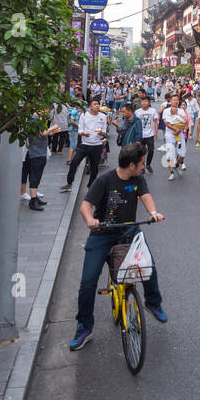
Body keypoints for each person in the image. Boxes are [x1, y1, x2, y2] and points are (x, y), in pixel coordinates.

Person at [71, 142, 168, 351]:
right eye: (142, 163)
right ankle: (84, 327)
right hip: (102, 235)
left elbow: (146, 197)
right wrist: (90, 219)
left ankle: (152, 302)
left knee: (148, 265)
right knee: (88, 282)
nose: (144, 166)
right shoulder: (104, 180)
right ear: (132, 165)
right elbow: (85, 206)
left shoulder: (138, 179)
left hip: (128, 232)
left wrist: (153, 213)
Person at [62, 98, 108, 192]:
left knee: (94, 167)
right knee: (74, 162)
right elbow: (80, 130)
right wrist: (84, 133)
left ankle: (91, 186)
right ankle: (69, 183)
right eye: (94, 104)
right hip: (85, 145)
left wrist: (102, 133)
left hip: (97, 145)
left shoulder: (103, 116)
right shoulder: (84, 115)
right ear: (90, 107)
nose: (97, 106)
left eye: (98, 104)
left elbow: (104, 131)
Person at [161, 95, 188, 179]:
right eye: (173, 100)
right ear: (170, 101)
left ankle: (177, 164)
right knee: (169, 154)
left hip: (180, 135)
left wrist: (179, 130)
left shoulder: (181, 111)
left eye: (177, 100)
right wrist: (174, 129)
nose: (175, 101)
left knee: (182, 155)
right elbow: (166, 122)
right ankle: (171, 172)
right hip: (170, 135)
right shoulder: (166, 111)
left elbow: (184, 121)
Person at [135, 95, 159, 175]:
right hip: (140, 135)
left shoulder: (153, 111)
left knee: (151, 150)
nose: (144, 103)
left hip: (150, 134)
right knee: (141, 152)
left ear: (149, 103)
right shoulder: (137, 112)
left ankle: (148, 165)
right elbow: (135, 124)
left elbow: (155, 122)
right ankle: (142, 166)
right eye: (142, 101)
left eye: (146, 101)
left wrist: (156, 132)